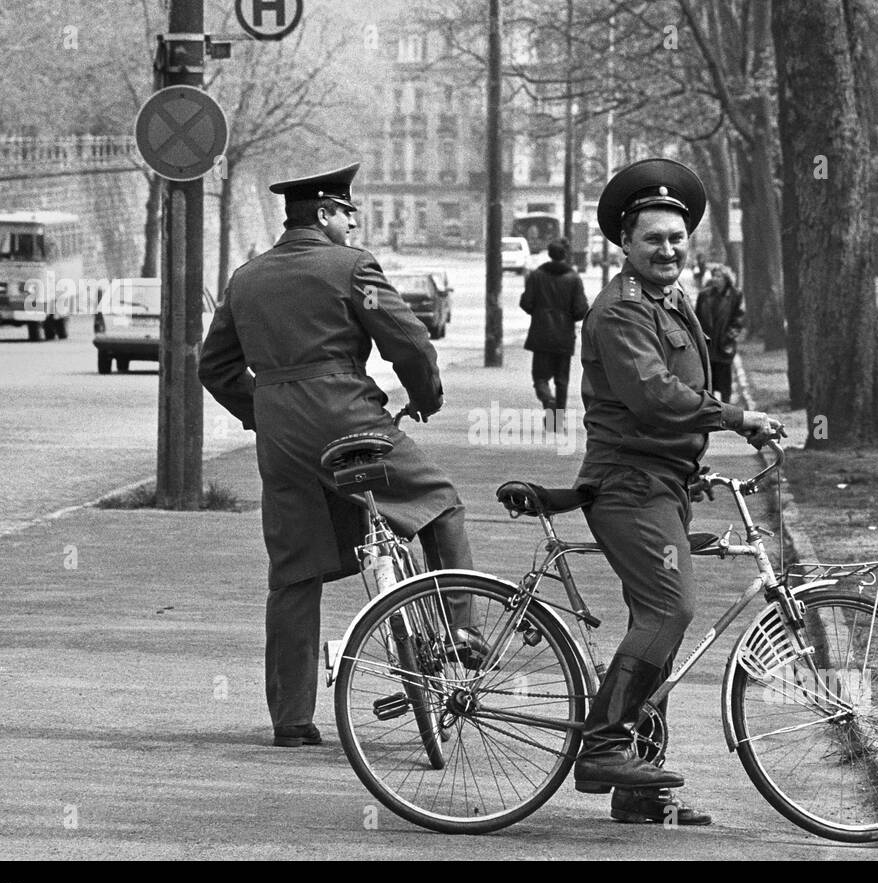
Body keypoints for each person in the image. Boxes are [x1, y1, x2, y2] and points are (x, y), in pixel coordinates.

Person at [199, 162, 482, 748]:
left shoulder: (245, 279)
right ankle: (462, 631)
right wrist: (425, 396)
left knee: (294, 574)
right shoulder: (354, 267)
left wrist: (264, 410)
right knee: (439, 503)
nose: (353, 225)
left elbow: (215, 366)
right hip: (347, 418)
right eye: (348, 214)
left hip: (280, 437)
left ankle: (293, 721)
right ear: (325, 215)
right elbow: (408, 341)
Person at [573, 158, 777, 824]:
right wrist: (738, 418)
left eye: (676, 239)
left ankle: (641, 786)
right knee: (669, 613)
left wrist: (696, 465)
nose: (667, 249)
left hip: (660, 481)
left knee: (654, 626)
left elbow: (679, 395)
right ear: (626, 245)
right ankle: (604, 748)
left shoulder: (671, 302)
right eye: (652, 238)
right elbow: (656, 397)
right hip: (628, 487)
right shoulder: (621, 311)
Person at [519, 239, 589, 430]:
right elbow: (581, 309)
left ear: (549, 254)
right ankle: (556, 422)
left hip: (540, 334)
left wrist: (539, 312)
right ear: (565, 255)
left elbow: (526, 303)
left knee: (540, 378)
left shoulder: (537, 275)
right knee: (562, 380)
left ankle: (547, 400)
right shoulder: (573, 278)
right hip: (564, 336)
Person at [694, 265, 744, 403]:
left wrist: (728, 337)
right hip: (707, 345)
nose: (715, 279)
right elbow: (696, 319)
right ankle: (710, 411)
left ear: (726, 279)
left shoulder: (735, 295)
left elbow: (738, 320)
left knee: (724, 384)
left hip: (723, 346)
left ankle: (726, 412)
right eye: (714, 276)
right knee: (708, 381)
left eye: (719, 276)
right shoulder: (704, 295)